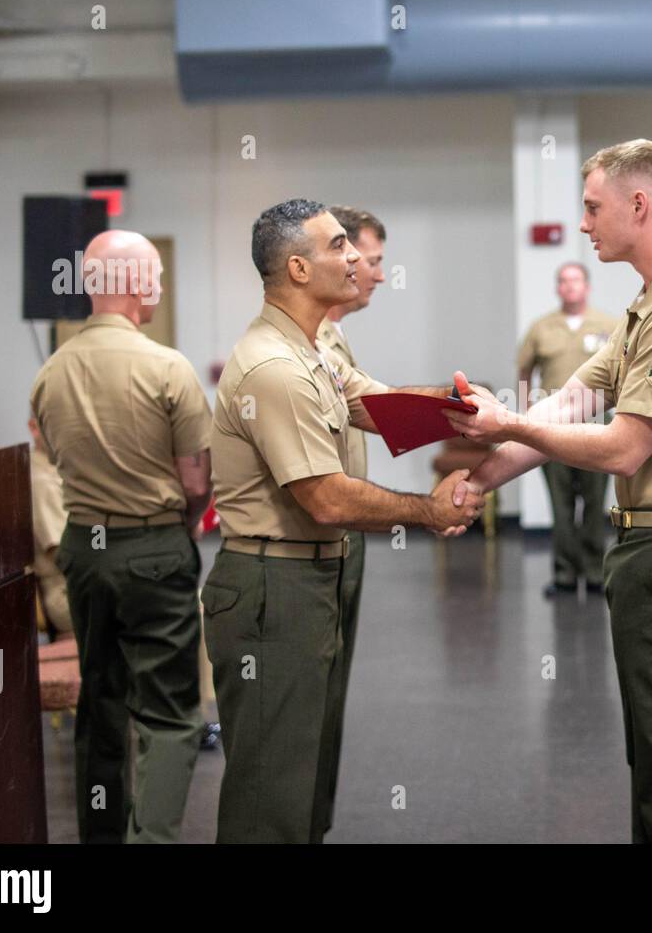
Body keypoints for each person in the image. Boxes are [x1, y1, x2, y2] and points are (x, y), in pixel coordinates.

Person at [445, 140, 652, 843]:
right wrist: (480, 478)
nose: (583, 224)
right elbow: (575, 401)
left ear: (638, 205)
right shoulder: (648, 305)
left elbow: (623, 446)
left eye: (591, 207)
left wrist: (507, 420)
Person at [203, 198, 483, 843]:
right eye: (339, 246)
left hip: (307, 580)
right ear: (298, 269)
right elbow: (326, 499)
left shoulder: (311, 350)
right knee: (268, 794)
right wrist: (427, 510)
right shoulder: (274, 367)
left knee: (304, 774)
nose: (356, 257)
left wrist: (470, 406)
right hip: (274, 588)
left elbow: (376, 405)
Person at [30, 230, 213, 843]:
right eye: (155, 273)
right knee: (169, 716)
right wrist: (177, 532)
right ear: (132, 285)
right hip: (154, 548)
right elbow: (195, 482)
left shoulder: (50, 374)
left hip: (84, 551)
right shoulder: (168, 368)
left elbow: (56, 462)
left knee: (99, 706)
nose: (160, 284)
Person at [314, 204, 385, 831]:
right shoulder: (306, 340)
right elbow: (377, 408)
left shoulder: (333, 337)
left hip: (346, 530)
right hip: (323, 533)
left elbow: (376, 404)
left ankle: (316, 820)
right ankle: (306, 821)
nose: (381, 276)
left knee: (331, 687)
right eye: (374, 260)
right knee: (315, 690)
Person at [516, 262, 618, 596]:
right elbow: (523, 371)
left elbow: (625, 371)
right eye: (563, 281)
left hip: (595, 427)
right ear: (558, 288)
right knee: (560, 505)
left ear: (586, 287)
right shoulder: (541, 328)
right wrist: (525, 414)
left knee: (593, 501)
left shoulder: (608, 324)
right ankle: (563, 574)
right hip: (551, 429)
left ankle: (593, 573)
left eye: (575, 281)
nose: (569, 286)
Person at [27, 415, 72, 639]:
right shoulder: (41, 480)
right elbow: (62, 554)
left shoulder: (60, 468)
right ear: (34, 428)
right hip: (65, 592)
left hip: (80, 585)